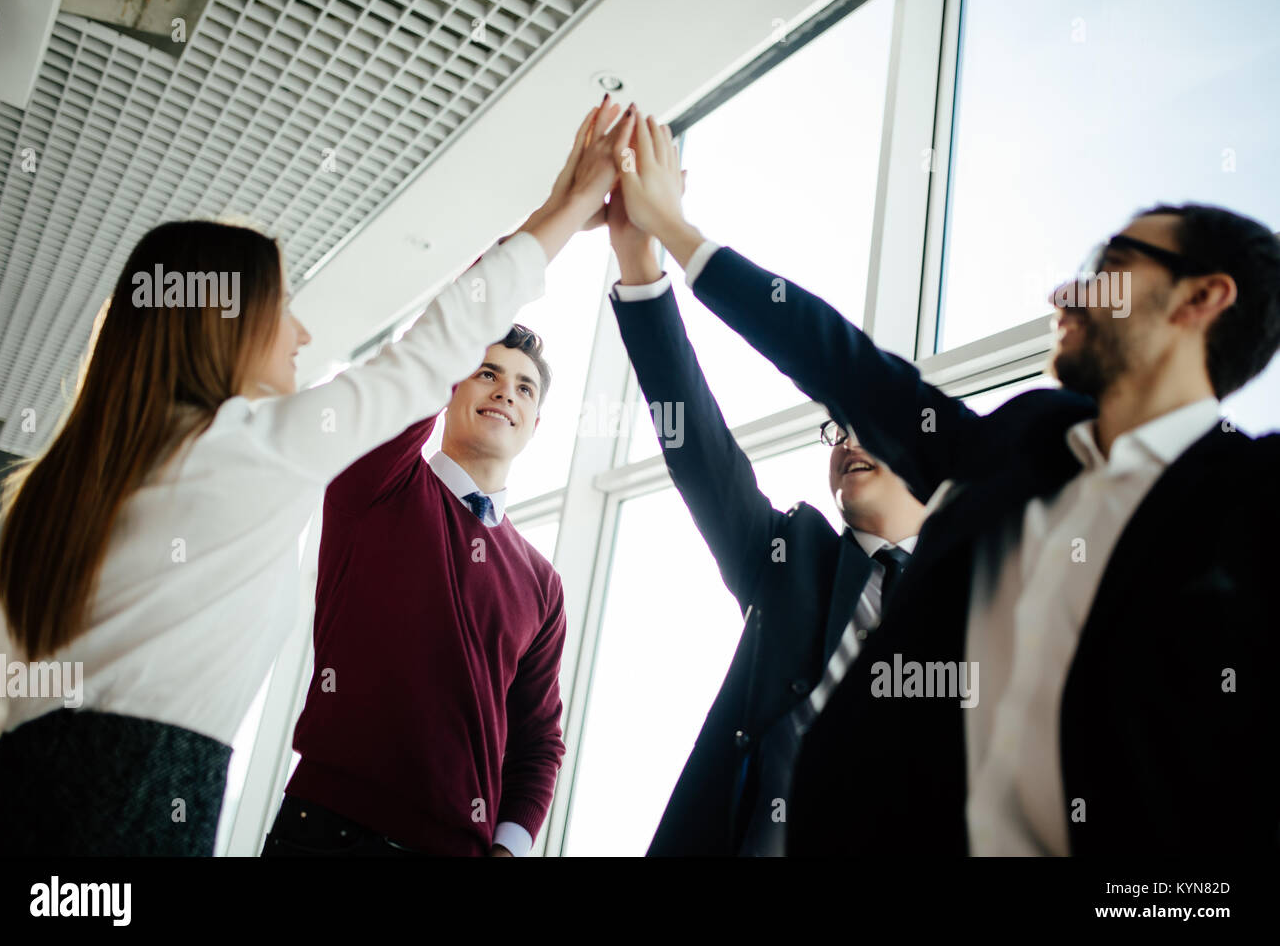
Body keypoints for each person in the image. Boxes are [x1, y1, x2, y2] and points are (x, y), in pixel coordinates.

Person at [613, 108, 1280, 854]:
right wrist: (672, 233)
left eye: (1111, 264)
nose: (1067, 292)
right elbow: (846, 366)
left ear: (1200, 299)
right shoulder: (1022, 442)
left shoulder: (1249, 504)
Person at [0, 99, 628, 855]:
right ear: (224, 323)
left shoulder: (55, 484)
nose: (303, 331)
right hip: (134, 805)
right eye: (282, 306)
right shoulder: (247, 450)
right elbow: (425, 361)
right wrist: (567, 204)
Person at [602, 175, 926, 855]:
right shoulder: (792, 553)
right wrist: (639, 262)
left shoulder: (975, 588)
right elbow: (699, 448)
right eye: (836, 431)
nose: (847, 443)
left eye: (866, 428)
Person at [261, 322, 566, 858]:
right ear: (448, 387)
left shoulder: (543, 584)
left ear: (534, 423)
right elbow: (433, 348)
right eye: (486, 373)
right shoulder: (378, 483)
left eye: (524, 387)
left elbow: (538, 741)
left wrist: (507, 849)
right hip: (328, 832)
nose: (504, 393)